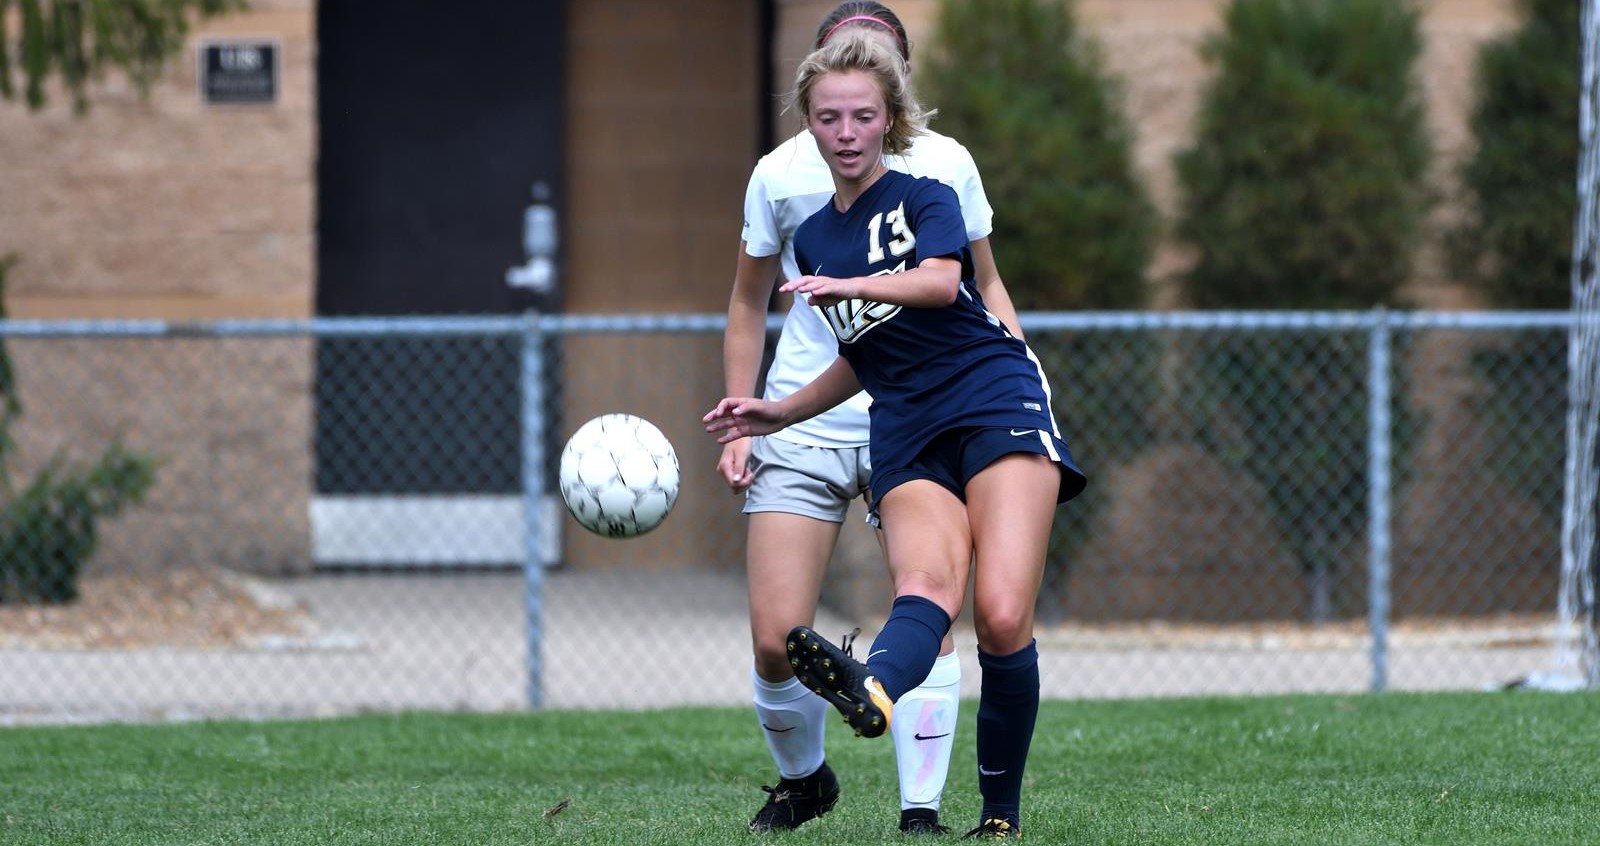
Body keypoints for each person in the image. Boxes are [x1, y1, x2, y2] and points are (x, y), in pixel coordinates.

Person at [706, 29, 1085, 841]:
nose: (845, 132)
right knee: (925, 591)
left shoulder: (928, 192)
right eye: (829, 118)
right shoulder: (812, 234)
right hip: (904, 421)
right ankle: (871, 690)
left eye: (862, 117)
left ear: (890, 121)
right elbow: (860, 358)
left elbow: (947, 284)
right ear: (808, 123)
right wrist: (774, 412)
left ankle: (999, 817)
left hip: (991, 398)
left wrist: (849, 281)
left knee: (1003, 613)